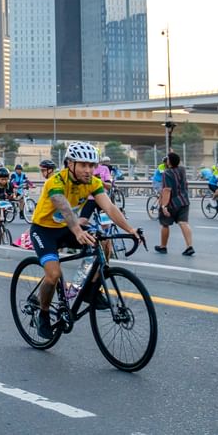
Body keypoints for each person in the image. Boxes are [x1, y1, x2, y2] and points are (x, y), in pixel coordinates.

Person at [28, 141, 142, 340]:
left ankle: (91, 289)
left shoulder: (93, 182)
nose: (88, 170)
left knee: (104, 241)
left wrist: (130, 229)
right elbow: (63, 207)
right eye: (83, 165)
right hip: (44, 230)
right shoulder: (55, 182)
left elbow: (110, 208)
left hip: (66, 229)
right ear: (70, 164)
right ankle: (43, 314)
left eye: (92, 165)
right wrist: (77, 230)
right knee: (53, 275)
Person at [155, 151, 194, 256]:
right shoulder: (182, 170)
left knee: (165, 224)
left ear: (169, 161)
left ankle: (163, 247)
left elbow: (167, 190)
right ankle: (189, 246)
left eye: (167, 159)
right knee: (183, 223)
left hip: (172, 203)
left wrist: (164, 206)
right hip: (184, 201)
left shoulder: (167, 173)